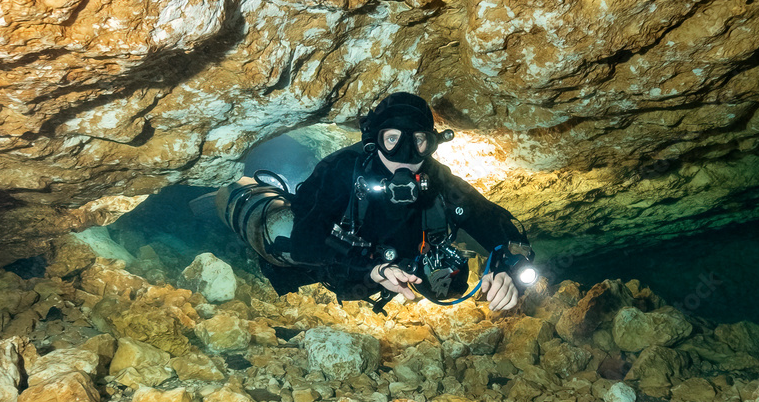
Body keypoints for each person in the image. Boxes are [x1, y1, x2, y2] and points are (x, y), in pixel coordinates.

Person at [217, 92, 532, 312]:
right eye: (393, 140)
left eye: (419, 141)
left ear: (430, 145)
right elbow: (305, 243)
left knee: (451, 278)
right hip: (337, 260)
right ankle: (236, 192)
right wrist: (372, 267)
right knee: (282, 232)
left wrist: (508, 269)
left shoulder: (440, 182)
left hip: (396, 265)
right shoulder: (341, 170)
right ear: (374, 140)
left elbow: (503, 228)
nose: (406, 157)